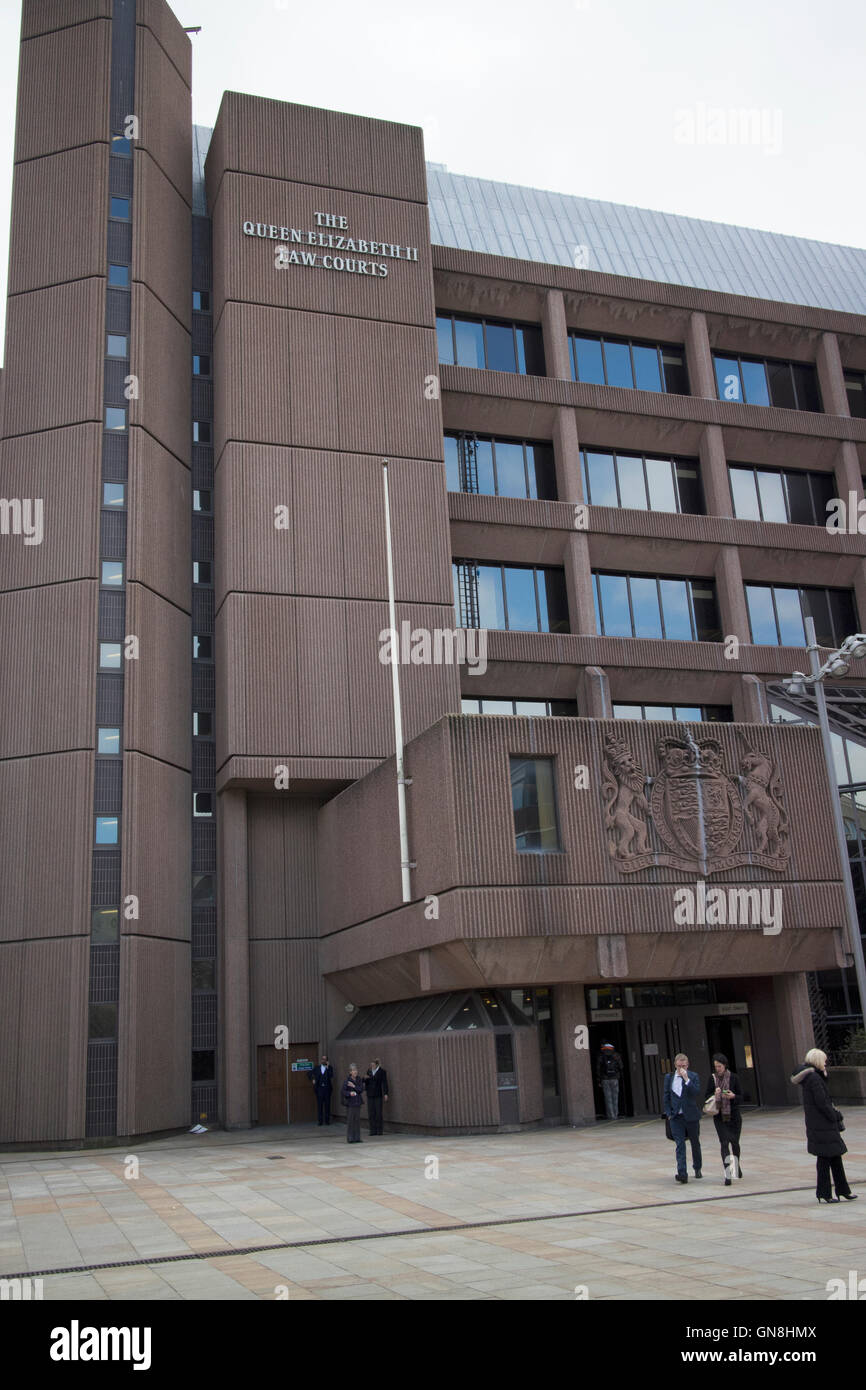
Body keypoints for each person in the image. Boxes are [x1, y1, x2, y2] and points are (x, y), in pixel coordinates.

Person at [791, 1048, 858, 1204]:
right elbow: (822, 1103)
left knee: (834, 1158)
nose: (826, 1063)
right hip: (823, 1125)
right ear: (818, 1061)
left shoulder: (812, 1077)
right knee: (825, 1160)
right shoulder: (814, 1078)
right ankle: (825, 1193)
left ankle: (842, 1190)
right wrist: (836, 1116)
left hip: (820, 1125)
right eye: (824, 1060)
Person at [663, 1052, 703, 1183]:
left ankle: (697, 1167)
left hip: (691, 1115)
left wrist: (687, 1080)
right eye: (679, 1066)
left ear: (687, 1065)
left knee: (695, 1143)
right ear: (675, 1065)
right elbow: (666, 1096)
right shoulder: (669, 1078)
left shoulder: (693, 1076)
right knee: (680, 1145)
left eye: (684, 1066)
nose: (681, 1068)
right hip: (676, 1117)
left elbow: (695, 1092)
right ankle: (682, 1173)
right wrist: (669, 1113)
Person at [704, 1053, 743, 1184]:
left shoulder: (734, 1078)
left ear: (725, 1065)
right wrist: (715, 1094)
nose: (718, 1069)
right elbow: (706, 1096)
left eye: (719, 1066)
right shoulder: (712, 1079)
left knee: (735, 1143)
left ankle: (736, 1166)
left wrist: (733, 1096)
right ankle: (728, 1174)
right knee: (724, 1143)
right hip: (720, 1116)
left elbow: (742, 1097)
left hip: (734, 1115)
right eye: (716, 1066)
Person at [596, 1043, 624, 1119]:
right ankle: (616, 1114)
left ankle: (611, 1115)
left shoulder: (601, 1056)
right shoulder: (616, 1055)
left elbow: (598, 1069)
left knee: (608, 1098)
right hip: (615, 1079)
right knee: (615, 1097)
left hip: (605, 1079)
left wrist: (599, 1079)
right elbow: (621, 1067)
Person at [341, 1063, 365, 1143]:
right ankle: (350, 1138)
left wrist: (354, 1086)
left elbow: (361, 1089)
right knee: (351, 1121)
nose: (355, 1072)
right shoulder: (347, 1080)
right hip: (350, 1103)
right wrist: (349, 1093)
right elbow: (343, 1091)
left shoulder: (359, 1079)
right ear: (350, 1072)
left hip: (357, 1102)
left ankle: (357, 1138)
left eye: (356, 1070)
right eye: (353, 1070)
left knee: (357, 1121)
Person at [364, 1058, 389, 1135]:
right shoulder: (369, 1071)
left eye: (373, 1065)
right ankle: (372, 1130)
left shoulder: (382, 1072)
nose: (372, 1066)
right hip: (370, 1094)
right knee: (371, 1113)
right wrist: (365, 1079)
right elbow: (366, 1081)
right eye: (371, 1065)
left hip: (378, 1094)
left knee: (378, 1113)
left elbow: (384, 1082)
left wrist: (385, 1093)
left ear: (377, 1065)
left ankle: (379, 1130)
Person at [311, 1054, 333, 1126]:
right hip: (319, 1089)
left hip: (327, 1089)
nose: (323, 1060)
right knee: (319, 1106)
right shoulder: (317, 1068)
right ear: (321, 1060)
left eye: (325, 1059)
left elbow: (331, 1076)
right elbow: (309, 1073)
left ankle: (327, 1121)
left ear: (327, 1061)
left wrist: (328, 1067)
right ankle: (320, 1121)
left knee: (327, 1105)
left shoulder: (330, 1068)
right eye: (322, 1059)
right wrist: (313, 1079)